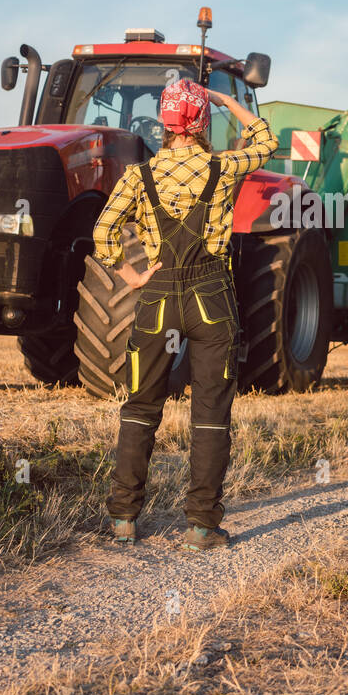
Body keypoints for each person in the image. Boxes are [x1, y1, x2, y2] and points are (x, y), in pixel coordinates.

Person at [91, 77, 277, 550]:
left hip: (157, 299)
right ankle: (200, 526)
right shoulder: (224, 166)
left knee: (140, 406)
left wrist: (130, 275)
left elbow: (103, 232)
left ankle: (124, 519)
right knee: (210, 411)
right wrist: (228, 100)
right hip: (211, 298)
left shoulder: (140, 174)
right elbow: (267, 140)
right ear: (199, 121)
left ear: (165, 121)